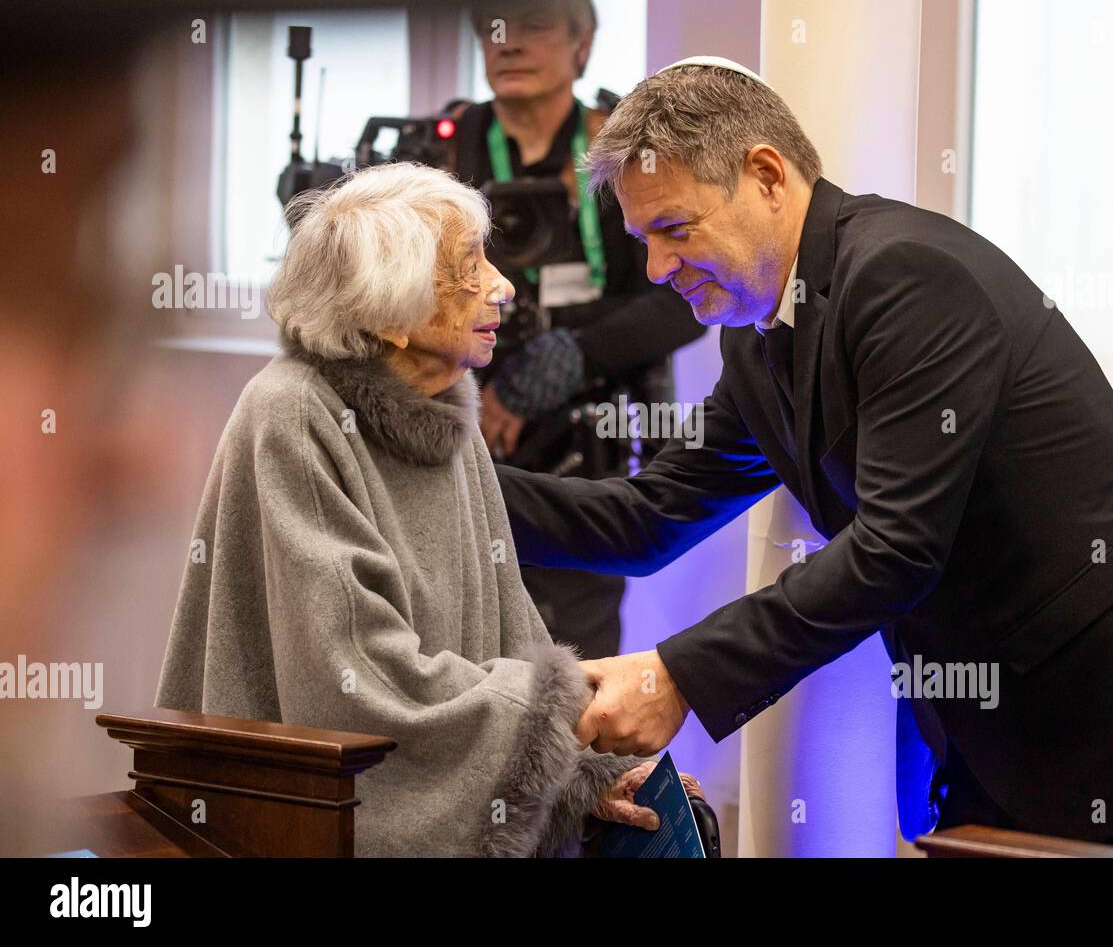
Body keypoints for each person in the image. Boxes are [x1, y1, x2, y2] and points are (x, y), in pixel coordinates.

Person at [494, 58, 1113, 856]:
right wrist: (450, 482)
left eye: (675, 229)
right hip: (993, 736)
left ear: (766, 175)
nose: (656, 268)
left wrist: (681, 673)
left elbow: (896, 550)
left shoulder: (903, 276)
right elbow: (648, 516)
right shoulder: (756, 335)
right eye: (643, 240)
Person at [154, 162, 702, 856]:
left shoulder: (446, 411)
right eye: (471, 267)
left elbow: (512, 632)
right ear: (392, 312)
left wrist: (584, 772)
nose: (503, 287)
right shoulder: (290, 413)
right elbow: (353, 683)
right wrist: (557, 705)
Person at [449, 0, 705, 659]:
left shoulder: (622, 152)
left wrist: (566, 358)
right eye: (492, 27)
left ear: (582, 45)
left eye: (533, 27)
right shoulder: (443, 152)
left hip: (583, 453)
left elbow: (678, 299)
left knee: (572, 673)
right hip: (462, 445)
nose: (508, 42)